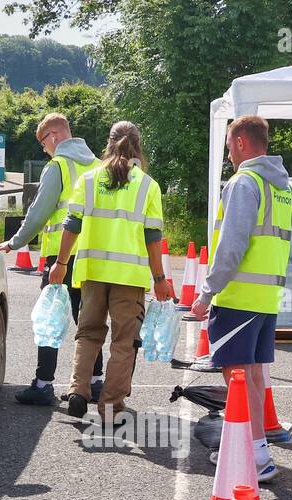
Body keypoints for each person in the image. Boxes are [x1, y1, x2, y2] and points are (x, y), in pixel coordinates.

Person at [190, 116, 292, 483]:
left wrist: (207, 292)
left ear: (243, 143)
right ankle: (252, 449)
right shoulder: (282, 189)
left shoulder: (243, 183)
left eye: (230, 145)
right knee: (250, 375)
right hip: (266, 297)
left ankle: (254, 455)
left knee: (237, 375)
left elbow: (232, 245)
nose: (229, 152)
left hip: (239, 295)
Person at [50, 121, 174, 421]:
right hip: (129, 278)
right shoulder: (148, 186)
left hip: (91, 271)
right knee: (123, 342)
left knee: (88, 333)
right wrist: (159, 279)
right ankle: (110, 407)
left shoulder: (89, 180)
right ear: (138, 145)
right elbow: (152, 238)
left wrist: (61, 263)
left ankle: (78, 391)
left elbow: (72, 225)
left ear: (109, 143)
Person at [0, 114, 103, 406]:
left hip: (61, 256)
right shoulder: (97, 166)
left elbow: (40, 211)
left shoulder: (58, 167)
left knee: (50, 320)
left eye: (43, 143)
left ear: (54, 136)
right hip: (92, 255)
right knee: (88, 320)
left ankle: (43, 384)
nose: (44, 150)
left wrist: (15, 241)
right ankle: (95, 382)